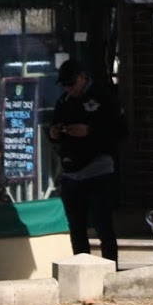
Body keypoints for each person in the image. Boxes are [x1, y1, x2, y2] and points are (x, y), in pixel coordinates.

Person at [48, 58, 122, 263]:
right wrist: (54, 132)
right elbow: (54, 128)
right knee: (77, 227)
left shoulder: (103, 96)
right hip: (71, 171)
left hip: (98, 169)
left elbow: (119, 130)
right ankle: (81, 270)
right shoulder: (64, 102)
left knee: (102, 225)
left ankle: (110, 269)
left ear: (83, 78)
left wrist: (89, 131)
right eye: (64, 85)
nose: (68, 88)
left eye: (71, 84)